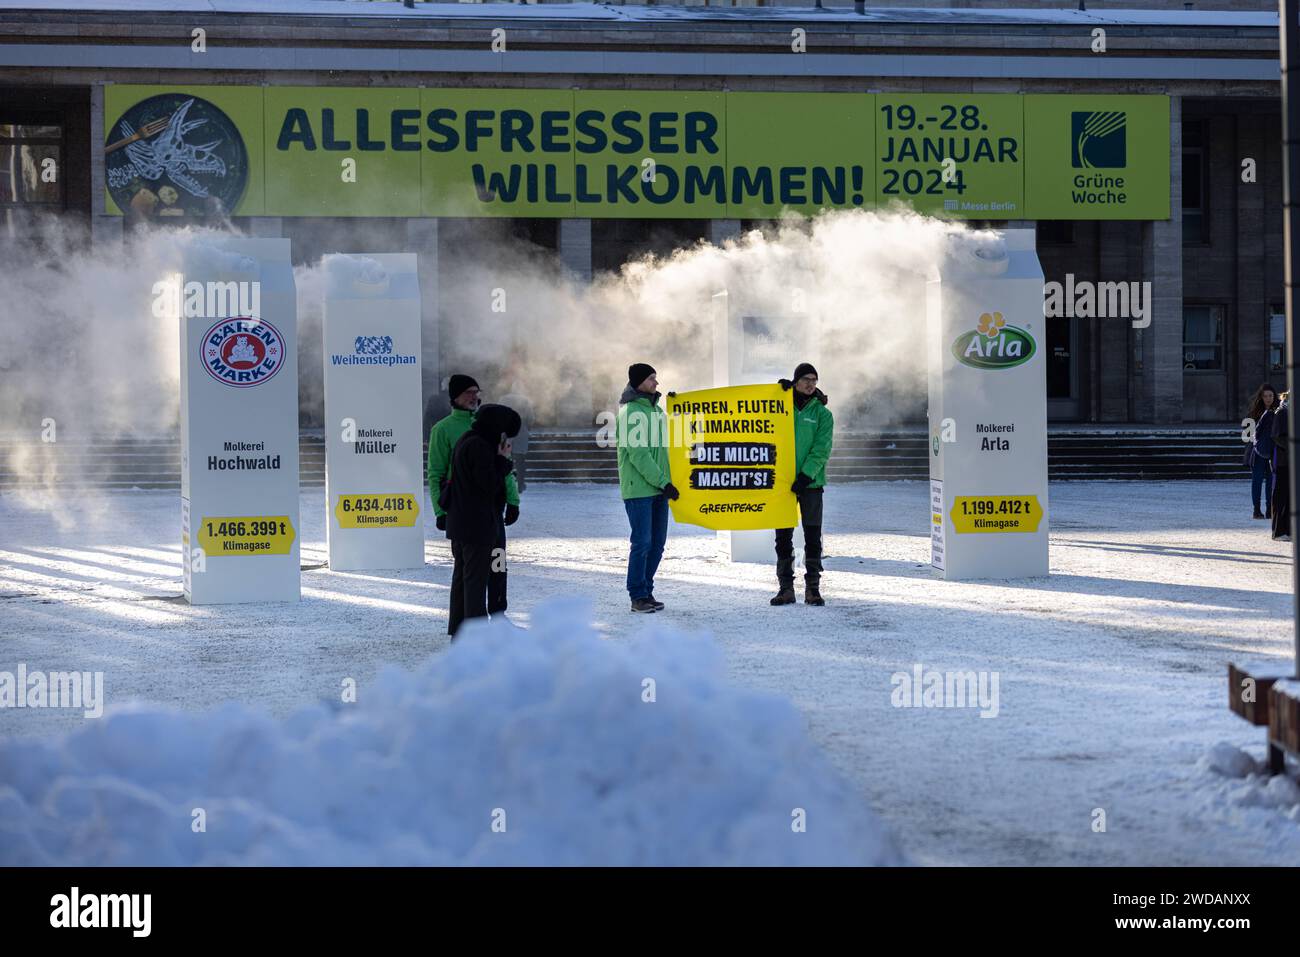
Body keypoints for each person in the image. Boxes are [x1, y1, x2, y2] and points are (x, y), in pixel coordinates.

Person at [427, 374, 521, 617]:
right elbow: (436, 473)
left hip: (493, 511)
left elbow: (505, 466)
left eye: (476, 391)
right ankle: (472, 627)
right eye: (468, 392)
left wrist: (513, 500)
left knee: (497, 563)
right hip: (468, 510)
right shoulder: (444, 429)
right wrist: (441, 511)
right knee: (472, 572)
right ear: (454, 397)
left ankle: (498, 612)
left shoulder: (491, 425)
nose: (474, 396)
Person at [442, 403, 521, 637]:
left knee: (463, 580)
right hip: (477, 524)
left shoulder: (468, 438)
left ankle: (459, 630)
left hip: (462, 523)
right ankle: (475, 636)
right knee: (475, 582)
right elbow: (488, 485)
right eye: (505, 432)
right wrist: (504, 460)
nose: (505, 438)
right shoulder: (480, 446)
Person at [616, 362, 678, 614]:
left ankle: (646, 589)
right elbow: (639, 455)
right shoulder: (630, 412)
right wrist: (664, 482)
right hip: (640, 489)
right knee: (642, 543)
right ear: (639, 382)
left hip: (658, 488)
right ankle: (637, 595)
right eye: (652, 378)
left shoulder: (657, 412)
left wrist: (680, 407)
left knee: (657, 544)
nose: (656, 383)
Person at [772, 363, 834, 607]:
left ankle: (813, 589)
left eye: (814, 380)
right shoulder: (781, 406)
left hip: (810, 484)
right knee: (783, 538)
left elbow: (822, 448)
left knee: (812, 537)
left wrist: (806, 475)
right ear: (795, 380)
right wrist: (775, 394)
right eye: (806, 379)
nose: (810, 384)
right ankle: (785, 588)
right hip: (784, 484)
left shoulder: (823, 414)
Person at [1246, 382, 1277, 520]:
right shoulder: (1254, 412)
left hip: (1273, 452)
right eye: (1265, 396)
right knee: (1257, 481)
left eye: (1270, 395)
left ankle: (1270, 509)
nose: (1268, 398)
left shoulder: (1278, 411)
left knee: (1271, 482)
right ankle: (1256, 510)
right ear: (1261, 397)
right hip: (1258, 452)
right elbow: (1246, 434)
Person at [1273, 392, 1291, 542]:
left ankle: (1288, 529)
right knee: (1282, 497)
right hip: (1284, 462)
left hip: (1288, 461)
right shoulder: (1283, 412)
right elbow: (1278, 437)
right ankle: (1279, 531)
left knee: (1289, 497)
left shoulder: (1287, 412)